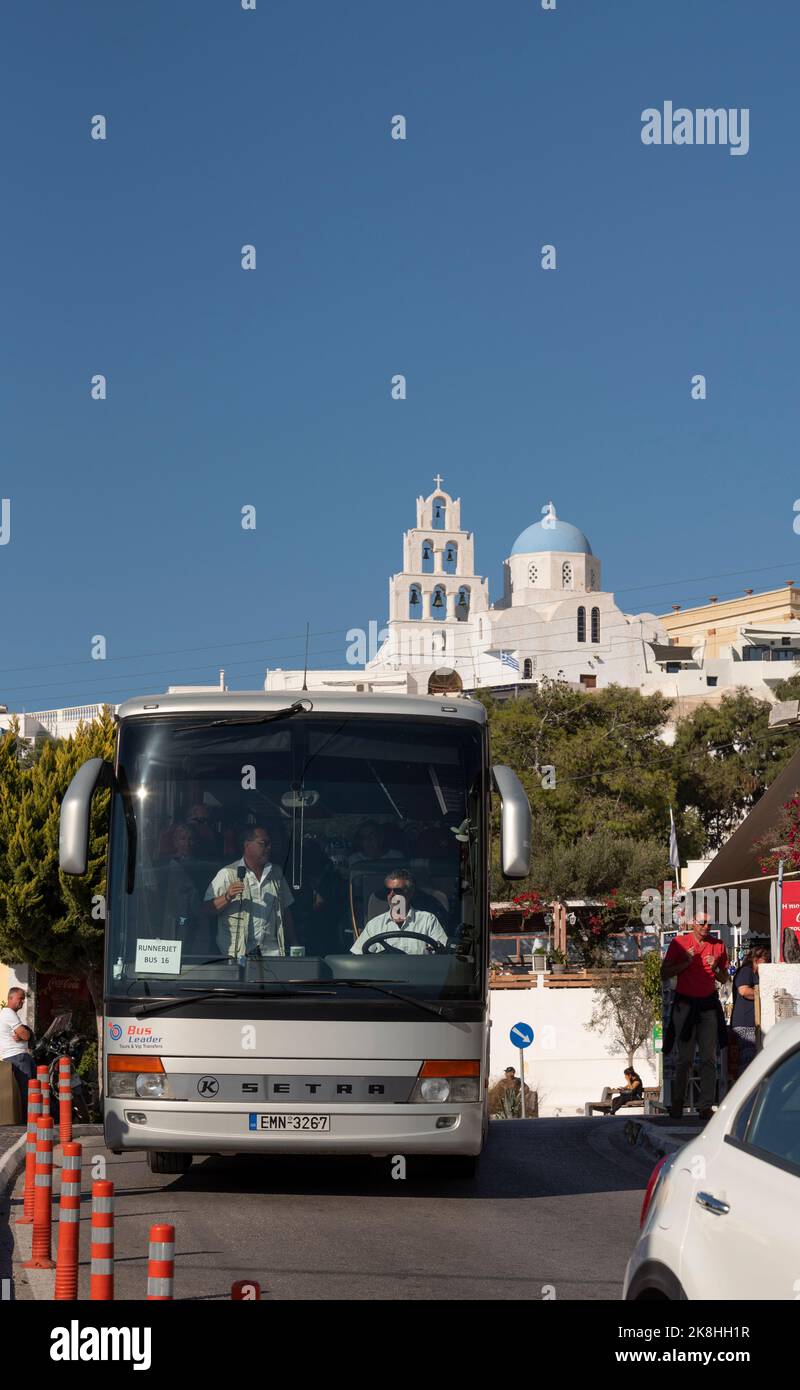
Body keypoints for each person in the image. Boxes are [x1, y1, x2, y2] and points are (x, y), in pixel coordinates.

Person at [662, 910, 729, 1121]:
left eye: (709, 924)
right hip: (685, 1003)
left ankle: (705, 1105)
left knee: (708, 1057)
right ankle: (677, 1104)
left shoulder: (718, 945)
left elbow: (724, 977)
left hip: (708, 1004)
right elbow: (664, 972)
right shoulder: (679, 943)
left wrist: (715, 967)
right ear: (692, 923)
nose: (706, 927)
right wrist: (686, 962)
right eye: (702, 923)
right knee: (684, 1058)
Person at [205, 826, 297, 960]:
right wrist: (227, 897)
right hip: (238, 955)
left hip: (272, 954)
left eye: (270, 844)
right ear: (247, 845)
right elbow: (207, 909)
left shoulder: (276, 873)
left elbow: (285, 911)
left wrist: (294, 943)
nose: (268, 848)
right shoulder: (228, 873)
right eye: (263, 843)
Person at [350, 870, 449, 955]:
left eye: (397, 891)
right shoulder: (374, 924)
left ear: (410, 893)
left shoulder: (428, 920)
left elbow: (443, 952)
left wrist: (438, 949)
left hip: (420, 975)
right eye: (387, 891)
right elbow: (358, 956)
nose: (391, 895)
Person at [730, 946, 769, 1076]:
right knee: (747, 1063)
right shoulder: (746, 971)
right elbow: (744, 990)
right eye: (765, 960)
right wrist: (763, 994)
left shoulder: (749, 972)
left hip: (748, 1024)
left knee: (750, 1061)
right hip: (745, 1024)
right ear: (757, 960)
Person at [0, 987, 35, 1117]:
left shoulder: (8, 1014)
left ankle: (29, 1117)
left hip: (16, 1056)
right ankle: (30, 1118)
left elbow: (24, 1034)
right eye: (20, 998)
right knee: (28, 1089)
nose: (22, 1002)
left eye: (24, 999)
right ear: (10, 998)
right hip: (17, 1056)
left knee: (28, 1088)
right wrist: (25, 1034)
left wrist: (24, 1034)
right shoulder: (8, 1013)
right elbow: (26, 1035)